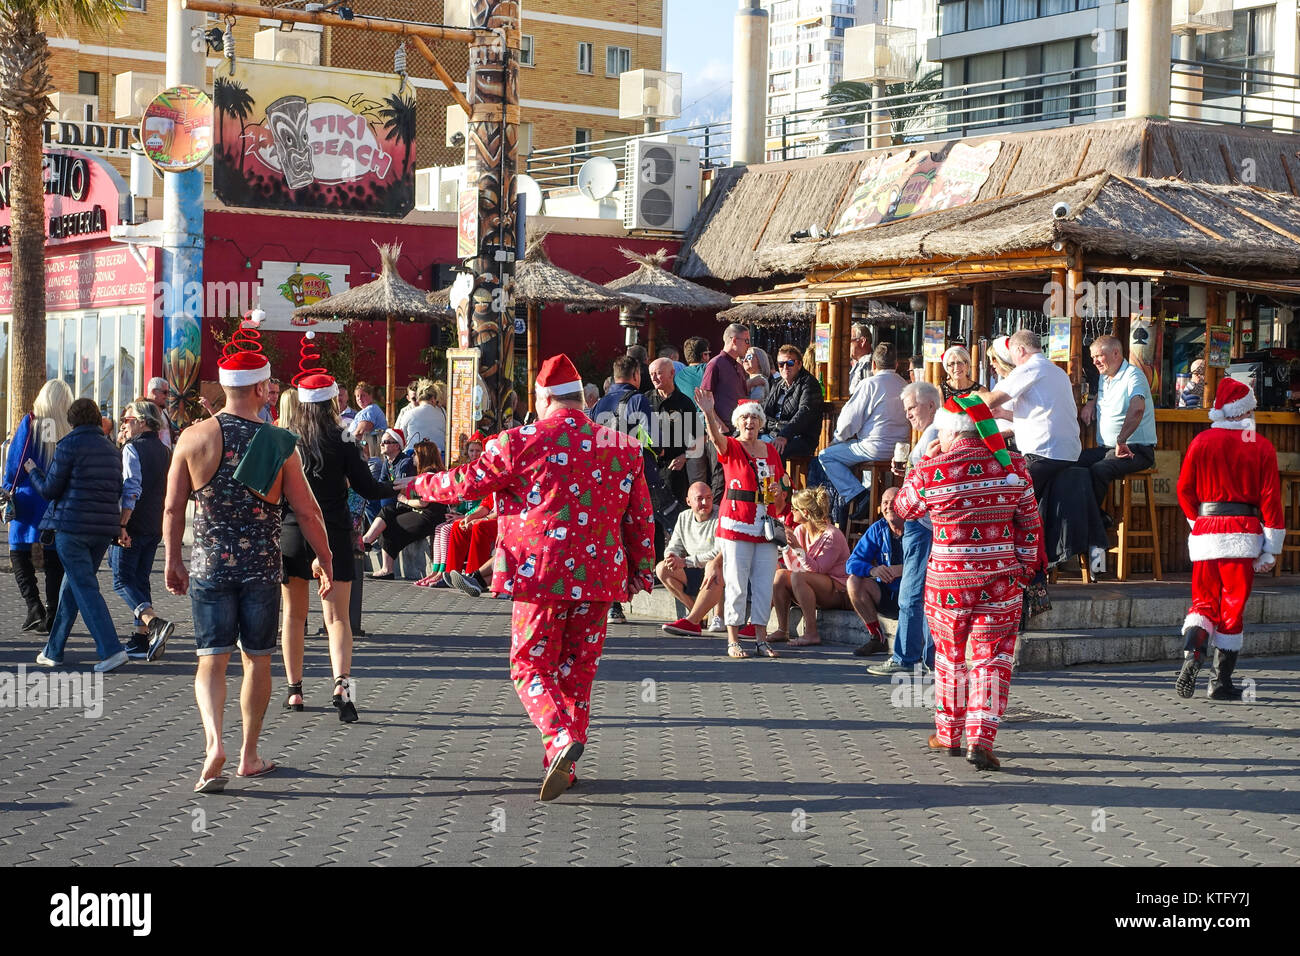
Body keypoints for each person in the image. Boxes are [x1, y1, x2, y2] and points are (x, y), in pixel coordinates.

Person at [409, 353, 656, 800]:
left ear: (543, 398)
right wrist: (641, 570)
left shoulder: (519, 441)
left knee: (528, 664)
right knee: (576, 673)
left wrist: (418, 485)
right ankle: (561, 762)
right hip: (599, 577)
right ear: (581, 400)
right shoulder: (625, 447)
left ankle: (560, 739)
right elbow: (641, 517)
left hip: (539, 573)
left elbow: (466, 485)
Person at [165, 337, 335, 793]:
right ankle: (249, 754)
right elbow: (306, 510)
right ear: (259, 389)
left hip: (208, 568)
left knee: (210, 660)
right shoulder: (277, 442)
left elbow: (172, 509)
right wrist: (326, 557)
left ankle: (214, 742)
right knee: (257, 660)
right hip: (261, 568)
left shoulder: (193, 437)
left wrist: (173, 560)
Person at [893, 395, 1045, 771]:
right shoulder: (1013, 468)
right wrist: (1023, 571)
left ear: (947, 431)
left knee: (949, 659)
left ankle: (948, 734)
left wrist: (925, 461)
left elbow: (903, 508)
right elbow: (1030, 526)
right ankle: (981, 738)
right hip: (1000, 580)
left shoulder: (934, 468)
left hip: (947, 582)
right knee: (991, 660)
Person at [280, 349, 399, 721]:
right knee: (338, 619)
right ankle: (341, 685)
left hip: (292, 532)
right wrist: (400, 486)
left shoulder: (286, 440)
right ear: (332, 400)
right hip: (332, 533)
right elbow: (367, 487)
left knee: (293, 617)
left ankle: (295, 691)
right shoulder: (343, 440)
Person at [1175, 378, 1284, 701]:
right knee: (1232, 608)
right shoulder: (1260, 445)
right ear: (1244, 410)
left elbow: (1184, 490)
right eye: (1252, 408)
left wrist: (1198, 521)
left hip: (1207, 533)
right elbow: (1270, 499)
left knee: (1203, 603)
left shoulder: (1202, 441)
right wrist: (1271, 548)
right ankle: (1220, 683)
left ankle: (1193, 653)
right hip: (1243, 534)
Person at [28, 398, 127, 672]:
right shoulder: (112, 450)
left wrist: (32, 471)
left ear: (72, 421)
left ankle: (111, 649)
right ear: (97, 419)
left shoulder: (68, 445)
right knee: (71, 588)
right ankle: (53, 650)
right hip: (102, 531)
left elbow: (50, 489)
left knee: (84, 588)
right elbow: (117, 489)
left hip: (72, 528)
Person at [695, 389, 789, 659]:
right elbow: (715, 438)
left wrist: (780, 513)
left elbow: (776, 486)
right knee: (736, 581)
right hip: (737, 521)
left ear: (761, 423)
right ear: (738, 423)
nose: (750, 423)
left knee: (763, 583)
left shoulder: (770, 450)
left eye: (754, 419)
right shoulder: (733, 447)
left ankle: (761, 639)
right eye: (745, 419)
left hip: (765, 524)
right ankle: (733, 640)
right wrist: (708, 411)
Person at [863, 382, 941, 671]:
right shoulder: (932, 434)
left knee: (912, 593)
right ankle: (925, 658)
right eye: (906, 409)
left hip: (923, 522)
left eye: (911, 408)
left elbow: (931, 479)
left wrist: (912, 474)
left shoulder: (936, 433)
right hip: (923, 521)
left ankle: (906, 658)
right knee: (922, 592)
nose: (908, 414)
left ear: (930, 405)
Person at [1078, 334, 1157, 574]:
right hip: (1109, 449)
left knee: (1099, 469)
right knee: (1072, 462)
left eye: (1098, 356)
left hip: (1137, 449)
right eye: (1092, 357)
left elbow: (1137, 408)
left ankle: (1095, 531)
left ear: (1115, 353)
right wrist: (1091, 402)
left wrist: (1122, 440)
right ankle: (1097, 517)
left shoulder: (1133, 376)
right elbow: (1103, 398)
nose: (1095, 362)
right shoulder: (1106, 377)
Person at [983, 329, 1082, 501]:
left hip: (1042, 454)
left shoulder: (1028, 369)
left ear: (1020, 350)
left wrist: (974, 392)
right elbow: (1041, 414)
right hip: (1069, 454)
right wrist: (1003, 413)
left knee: (1009, 501)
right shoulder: (1058, 372)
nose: (1013, 360)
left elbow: (990, 401)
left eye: (1012, 354)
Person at [110, 399, 175, 661]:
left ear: (142, 422)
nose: (125, 423)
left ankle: (154, 623)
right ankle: (140, 638)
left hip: (134, 524)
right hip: (154, 523)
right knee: (140, 578)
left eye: (128, 420)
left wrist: (122, 523)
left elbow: (131, 488)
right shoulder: (164, 449)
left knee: (122, 579)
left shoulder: (132, 449)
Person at [815, 342, 909, 522]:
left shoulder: (870, 384)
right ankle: (867, 494)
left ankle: (858, 495)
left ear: (873, 365)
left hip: (874, 448)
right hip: (899, 451)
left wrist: (837, 439)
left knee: (826, 455)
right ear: (896, 365)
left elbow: (848, 421)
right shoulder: (904, 384)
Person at [6, 379, 70, 633]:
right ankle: (53, 614)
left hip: (28, 499)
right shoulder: (68, 426)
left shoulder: (32, 423)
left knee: (19, 552)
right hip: (56, 500)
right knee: (54, 560)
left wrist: (8, 485)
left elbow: (15, 463)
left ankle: (34, 606)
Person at [770, 486, 850, 647]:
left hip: (838, 590)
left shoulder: (832, 535)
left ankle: (812, 633)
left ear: (805, 512)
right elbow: (794, 567)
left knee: (798, 577)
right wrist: (786, 546)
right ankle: (782, 629)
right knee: (780, 575)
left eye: (794, 508)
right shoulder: (800, 530)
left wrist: (798, 549)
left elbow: (818, 569)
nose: (791, 511)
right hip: (814, 584)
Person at [360, 440, 447, 579]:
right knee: (388, 511)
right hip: (423, 511)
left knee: (390, 524)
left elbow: (423, 502)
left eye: (415, 455)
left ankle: (385, 567)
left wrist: (405, 500)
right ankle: (367, 542)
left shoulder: (429, 474)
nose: (412, 457)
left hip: (429, 516)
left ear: (423, 456)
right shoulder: (424, 472)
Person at [844, 486, 904, 659]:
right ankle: (877, 637)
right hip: (887, 595)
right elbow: (851, 563)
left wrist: (904, 569)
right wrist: (873, 570)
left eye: (894, 502)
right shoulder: (878, 529)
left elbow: (931, 561)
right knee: (854, 582)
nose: (889, 506)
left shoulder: (917, 528)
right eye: (885, 502)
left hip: (915, 595)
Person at [659, 481, 724, 637]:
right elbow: (674, 544)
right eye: (699, 498)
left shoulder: (720, 515)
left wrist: (685, 561)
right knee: (662, 568)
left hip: (714, 569)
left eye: (709, 498)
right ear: (688, 501)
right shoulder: (683, 517)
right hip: (692, 569)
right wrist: (671, 556)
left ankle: (710, 617)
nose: (705, 503)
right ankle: (696, 614)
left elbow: (718, 552)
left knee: (714, 567)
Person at [647, 357, 699, 507]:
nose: (654, 378)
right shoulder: (644, 400)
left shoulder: (684, 402)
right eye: (651, 374)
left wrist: (684, 457)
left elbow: (699, 438)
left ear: (672, 373)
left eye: (658, 373)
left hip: (674, 471)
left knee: (674, 516)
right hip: (649, 469)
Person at [762, 344, 825, 459]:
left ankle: (780, 477)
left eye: (790, 363)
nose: (785, 367)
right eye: (781, 364)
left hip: (801, 437)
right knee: (746, 445)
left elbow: (805, 413)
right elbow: (766, 410)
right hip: (775, 433)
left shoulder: (809, 383)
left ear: (799, 364)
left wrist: (784, 435)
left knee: (774, 450)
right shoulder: (778, 384)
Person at [366, 426, 414, 526]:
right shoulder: (387, 462)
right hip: (393, 497)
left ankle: (380, 531)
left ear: (397, 446)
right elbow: (381, 482)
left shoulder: (405, 462)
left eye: (386, 442)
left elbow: (399, 486)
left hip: (404, 500)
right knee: (368, 497)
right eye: (381, 441)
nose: (381, 444)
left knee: (382, 499)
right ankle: (377, 532)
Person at [403, 379, 447, 459]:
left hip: (414, 455)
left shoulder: (409, 413)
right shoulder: (442, 413)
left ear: (418, 398)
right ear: (433, 398)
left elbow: (402, 436)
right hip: (438, 455)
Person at [350, 381, 388, 446]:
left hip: (369, 451)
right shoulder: (369, 410)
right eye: (357, 396)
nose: (359, 398)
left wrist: (348, 445)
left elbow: (360, 434)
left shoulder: (370, 410)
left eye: (363, 395)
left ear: (370, 396)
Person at [146, 377, 177, 449]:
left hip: (164, 456)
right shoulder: (143, 410)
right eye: (165, 392)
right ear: (153, 391)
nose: (167, 396)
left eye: (168, 393)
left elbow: (168, 434)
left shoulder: (163, 410)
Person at [847, 322, 873, 393]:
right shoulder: (860, 363)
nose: (846, 344)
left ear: (862, 341)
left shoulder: (867, 363)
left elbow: (868, 393)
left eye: (849, 341)